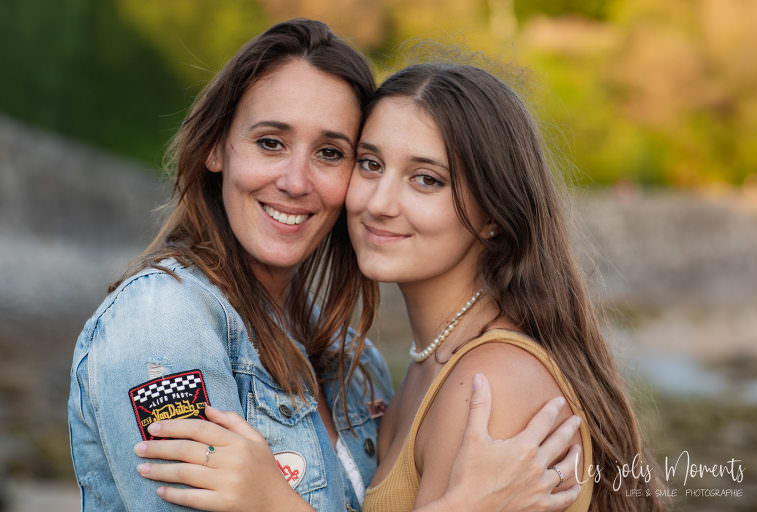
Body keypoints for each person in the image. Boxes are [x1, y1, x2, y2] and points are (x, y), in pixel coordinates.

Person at [68, 20, 583, 512]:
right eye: (271, 142)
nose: (295, 181)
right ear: (215, 148)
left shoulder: (355, 366)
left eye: (331, 153)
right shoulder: (161, 323)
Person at [136, 60, 668, 511]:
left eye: (426, 179)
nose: (379, 202)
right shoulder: (420, 371)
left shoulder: (492, 383)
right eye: (370, 164)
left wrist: (275, 501)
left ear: (492, 215)